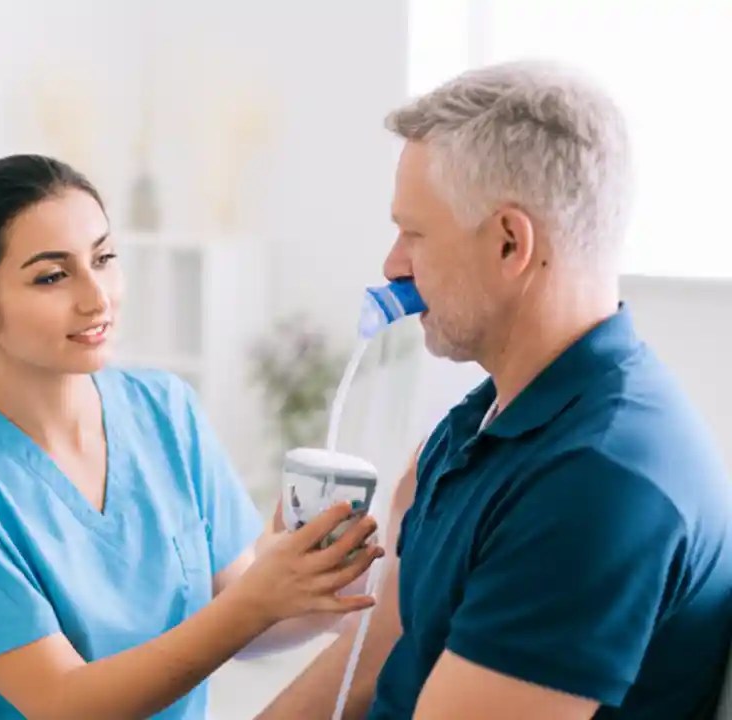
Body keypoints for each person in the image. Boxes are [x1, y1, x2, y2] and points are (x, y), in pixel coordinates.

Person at [259, 60, 732, 720]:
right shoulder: (480, 424)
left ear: (510, 242)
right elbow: (376, 653)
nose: (393, 265)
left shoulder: (596, 482)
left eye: (413, 234)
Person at [0, 154, 383, 719]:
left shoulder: (165, 410)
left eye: (103, 258)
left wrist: (325, 582)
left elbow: (244, 613)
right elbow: (63, 705)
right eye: (52, 276)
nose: (97, 297)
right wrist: (254, 602)